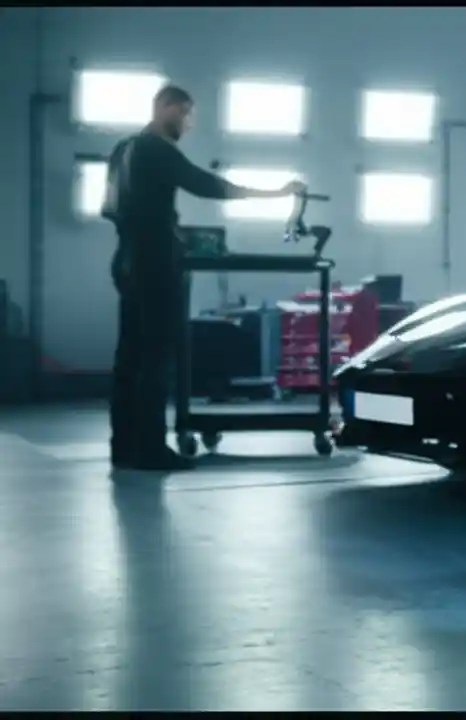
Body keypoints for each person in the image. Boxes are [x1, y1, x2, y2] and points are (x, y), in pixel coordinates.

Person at [102, 84, 306, 471]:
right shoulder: (155, 148)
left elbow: (109, 207)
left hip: (126, 259)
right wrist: (274, 193)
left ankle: (124, 447)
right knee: (158, 356)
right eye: (184, 112)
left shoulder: (123, 150)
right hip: (154, 262)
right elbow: (207, 185)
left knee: (129, 357)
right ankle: (150, 449)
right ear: (163, 106)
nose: (189, 122)